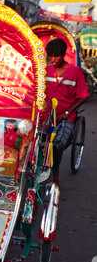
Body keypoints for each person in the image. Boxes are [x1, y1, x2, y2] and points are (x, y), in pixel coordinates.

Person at [44, 38, 89, 185]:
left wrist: (67, 113)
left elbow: (83, 96)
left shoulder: (75, 72)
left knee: (58, 145)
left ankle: (55, 175)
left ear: (63, 54)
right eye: (50, 56)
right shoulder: (46, 70)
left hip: (66, 117)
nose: (53, 59)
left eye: (56, 55)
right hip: (47, 115)